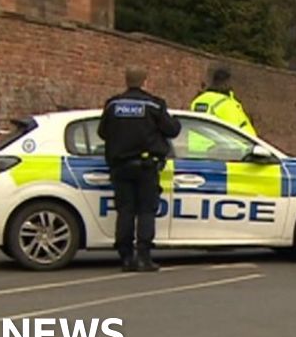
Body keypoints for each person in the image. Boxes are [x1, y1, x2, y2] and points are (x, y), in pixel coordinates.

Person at [98, 67, 181, 272]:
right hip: (146, 167)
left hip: (120, 167)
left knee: (125, 211)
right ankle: (144, 257)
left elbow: (102, 132)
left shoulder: (113, 104)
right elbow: (172, 130)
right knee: (145, 211)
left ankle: (126, 257)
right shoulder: (153, 104)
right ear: (146, 82)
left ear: (126, 81)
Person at [190, 67, 257, 136]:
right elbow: (238, 130)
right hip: (220, 145)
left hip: (195, 146)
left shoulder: (197, 101)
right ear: (226, 83)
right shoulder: (225, 104)